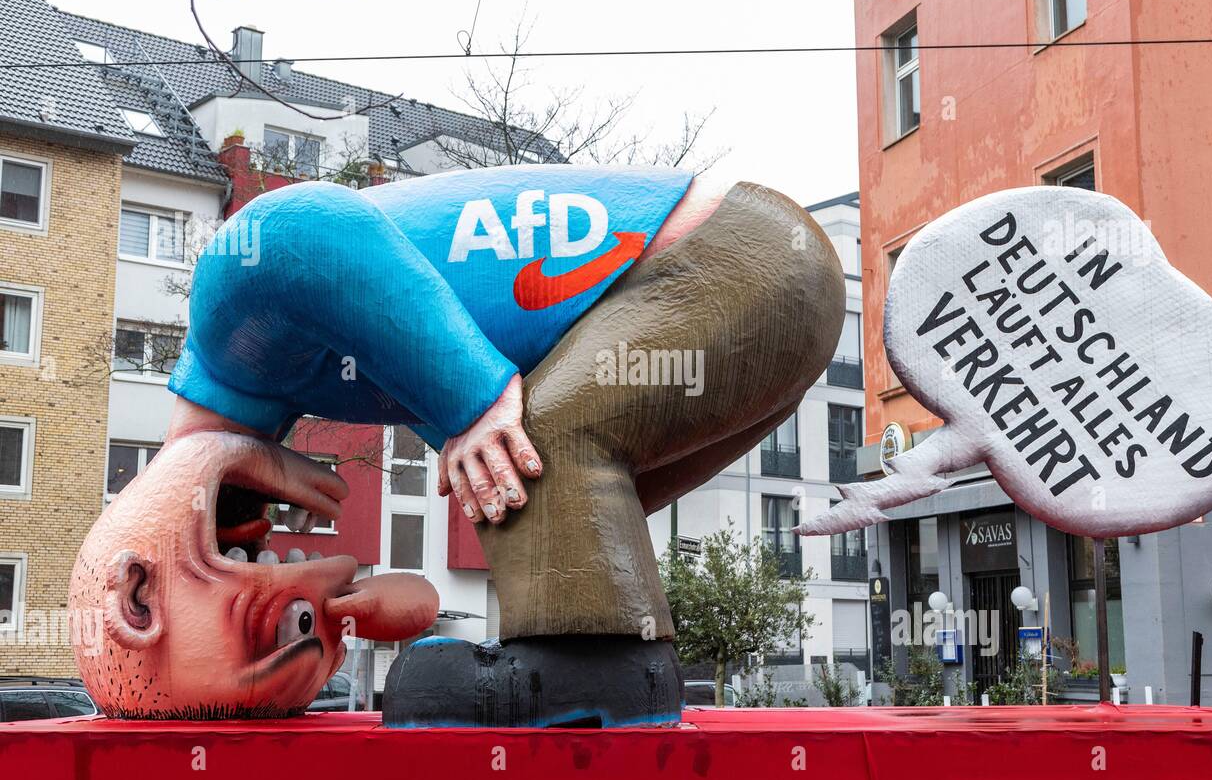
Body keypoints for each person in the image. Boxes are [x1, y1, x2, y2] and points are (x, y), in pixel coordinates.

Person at [103, 165, 845, 726]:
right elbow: (433, 345)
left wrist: (474, 402)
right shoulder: (307, 368)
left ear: (141, 589)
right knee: (511, 478)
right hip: (757, 280)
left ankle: (592, 676)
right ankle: (604, 659)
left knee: (528, 450)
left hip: (735, 257)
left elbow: (302, 225)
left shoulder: (230, 307)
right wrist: (466, 414)